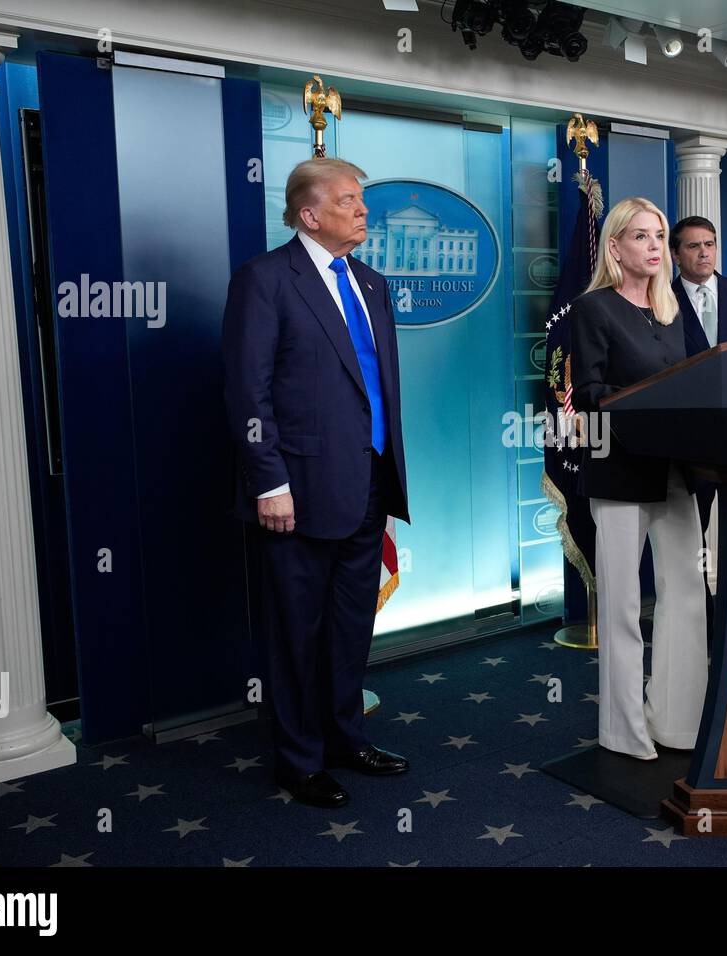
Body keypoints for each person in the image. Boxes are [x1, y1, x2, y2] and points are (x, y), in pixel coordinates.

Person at [222, 158, 410, 809]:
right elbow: (248, 392)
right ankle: (298, 761)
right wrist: (268, 481)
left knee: (350, 627)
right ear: (309, 213)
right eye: (350, 200)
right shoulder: (266, 280)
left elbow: (369, 390)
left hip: (367, 486)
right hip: (295, 493)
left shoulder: (372, 283)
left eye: (362, 199)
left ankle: (345, 740)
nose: (363, 211)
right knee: (295, 633)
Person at [570, 197, 708, 761]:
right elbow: (589, 392)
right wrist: (651, 402)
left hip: (677, 469)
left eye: (658, 237)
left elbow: (702, 373)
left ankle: (677, 721)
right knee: (624, 608)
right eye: (642, 237)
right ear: (615, 247)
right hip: (621, 471)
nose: (655, 247)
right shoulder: (594, 309)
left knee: (687, 595)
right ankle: (624, 732)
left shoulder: (673, 308)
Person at [668, 215, 727, 643]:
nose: (705, 252)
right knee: (693, 534)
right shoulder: (662, 300)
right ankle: (701, 623)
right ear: (676, 254)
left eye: (710, 244)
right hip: (689, 437)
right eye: (694, 246)